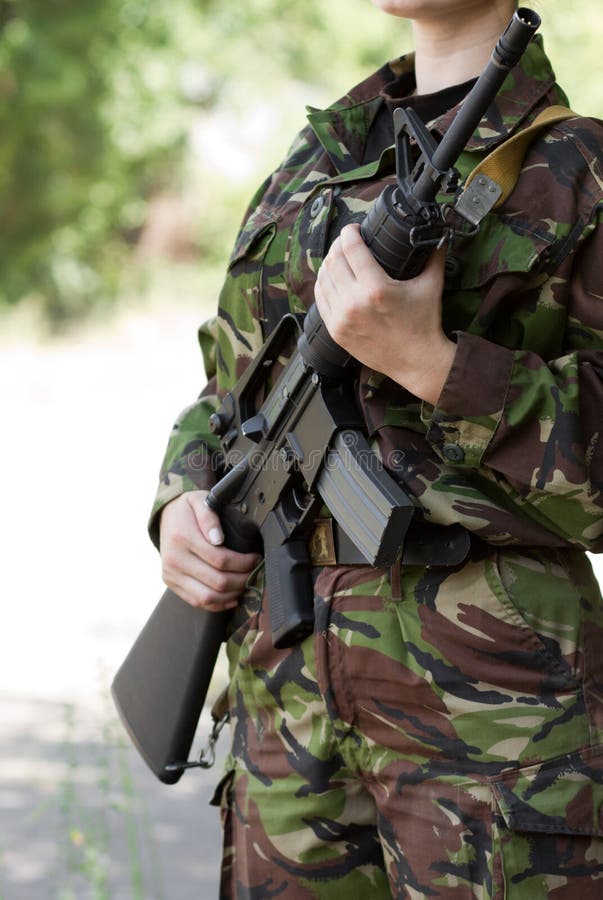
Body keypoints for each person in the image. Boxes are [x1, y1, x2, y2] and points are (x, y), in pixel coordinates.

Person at [150, 1, 603, 896]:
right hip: (284, 705)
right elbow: (227, 388)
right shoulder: (313, 162)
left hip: (493, 726)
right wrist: (181, 503)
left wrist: (432, 364)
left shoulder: (577, 169)